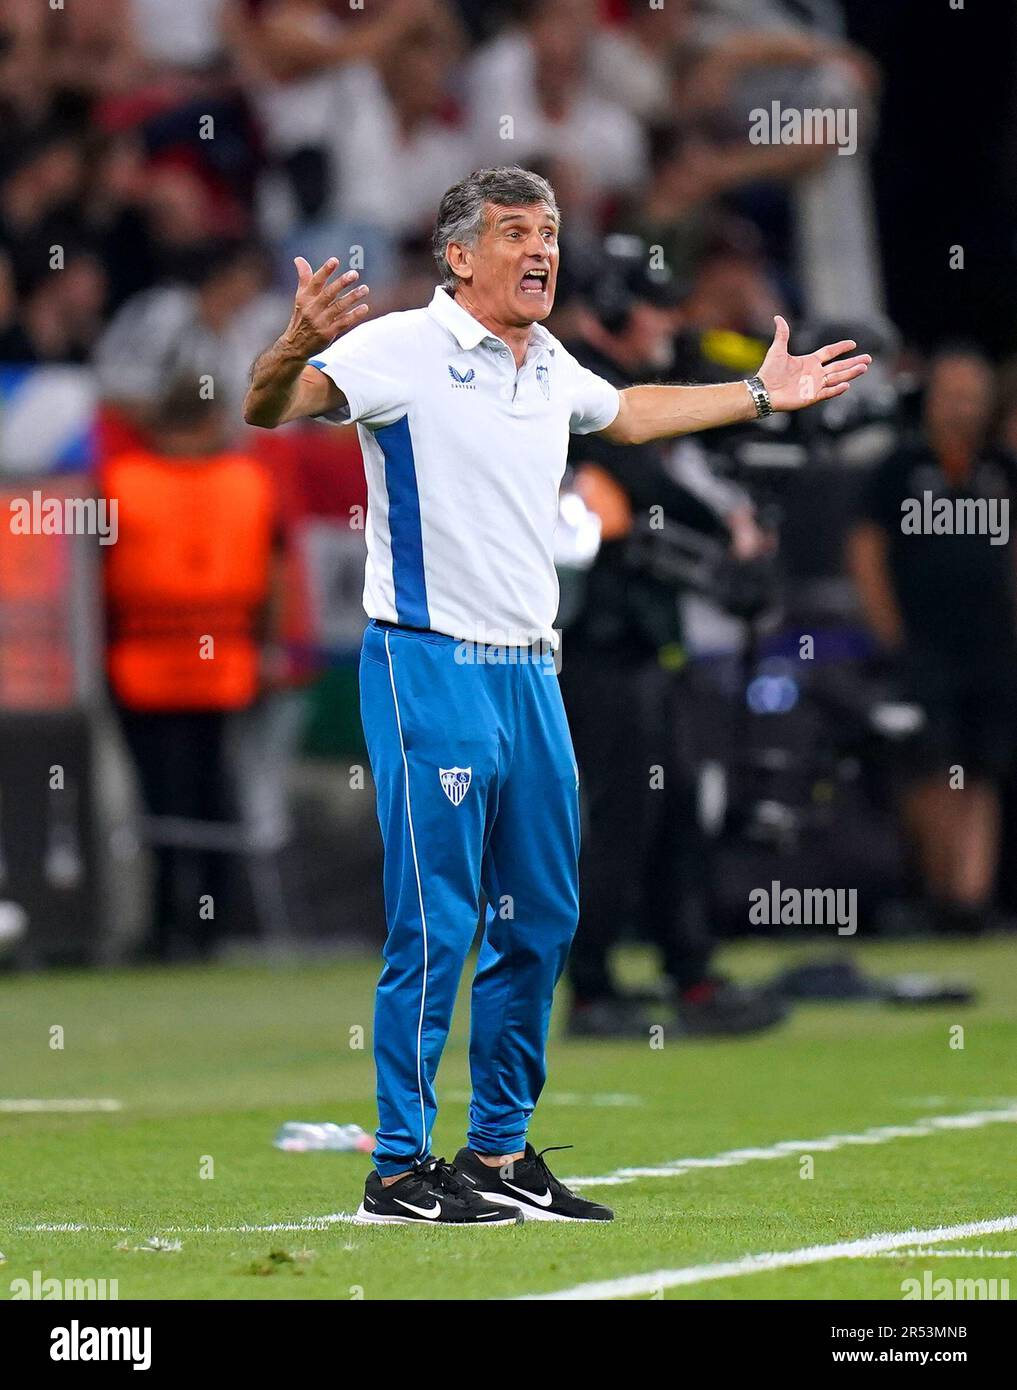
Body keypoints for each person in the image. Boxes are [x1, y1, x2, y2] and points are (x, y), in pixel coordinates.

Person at [243, 165, 869, 1226]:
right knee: (438, 923)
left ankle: (495, 1152)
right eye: (517, 232)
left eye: (552, 233)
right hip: (430, 660)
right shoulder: (400, 345)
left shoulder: (545, 359)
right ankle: (398, 1166)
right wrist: (293, 340)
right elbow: (269, 409)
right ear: (457, 255)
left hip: (534, 668)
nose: (543, 250)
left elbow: (623, 413)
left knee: (545, 913)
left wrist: (762, 393)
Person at [554, 243, 786, 1039]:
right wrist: (723, 522)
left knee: (674, 802)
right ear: (611, 310)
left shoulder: (636, 371)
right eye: (651, 304)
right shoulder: (565, 373)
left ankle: (686, 972)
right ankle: (590, 988)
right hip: (590, 633)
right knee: (622, 811)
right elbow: (632, 464)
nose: (666, 321)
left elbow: (664, 453)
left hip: (642, 630)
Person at [103, 376, 279, 960]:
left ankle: (166, 926)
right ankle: (211, 926)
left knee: (160, 805)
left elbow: (92, 581)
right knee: (214, 798)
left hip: (142, 667)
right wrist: (271, 650)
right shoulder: (247, 481)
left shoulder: (121, 482)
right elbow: (275, 575)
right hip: (226, 667)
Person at [847, 347, 1017, 933]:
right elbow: (867, 553)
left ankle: (972, 898)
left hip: (992, 644)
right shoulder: (899, 468)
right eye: (952, 395)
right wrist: (889, 631)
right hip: (922, 642)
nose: (962, 408)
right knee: (932, 768)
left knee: (984, 769)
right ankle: (935, 891)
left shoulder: (1001, 467)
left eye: (973, 396)